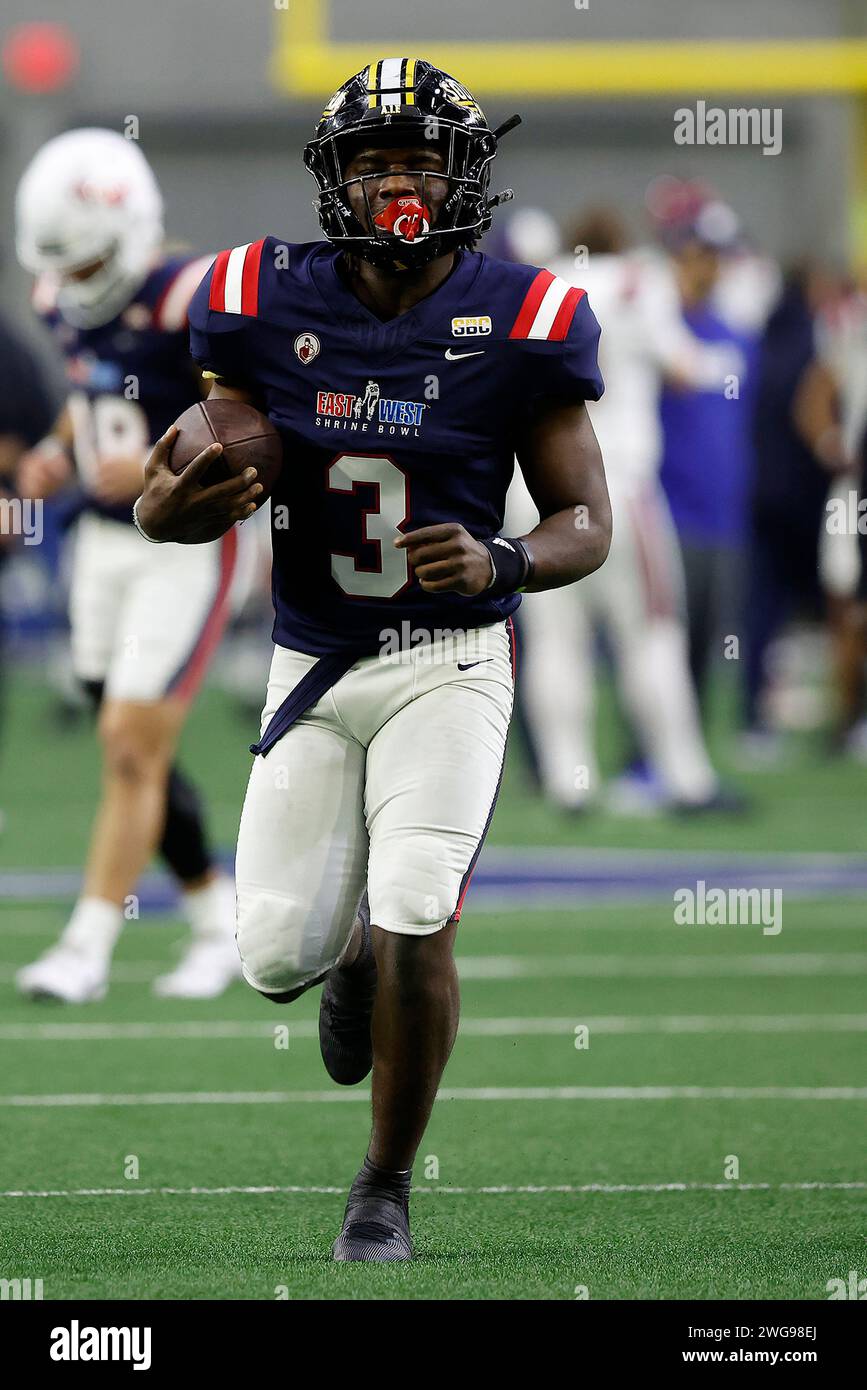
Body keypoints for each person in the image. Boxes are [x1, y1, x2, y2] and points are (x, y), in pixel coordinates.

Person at [134, 57, 611, 1260]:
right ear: (334, 177)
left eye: (419, 156)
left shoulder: (524, 316)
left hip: (450, 660)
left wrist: (505, 563)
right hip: (315, 659)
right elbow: (161, 491)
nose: (397, 179)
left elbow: (585, 520)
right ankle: (352, 957)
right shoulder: (256, 297)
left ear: (466, 173)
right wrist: (182, 504)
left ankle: (383, 1184)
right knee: (276, 958)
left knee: (416, 907)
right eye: (371, 158)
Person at [14, 128, 239, 1003]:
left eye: (86, 265)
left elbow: (250, 417)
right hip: (102, 545)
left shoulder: (194, 299)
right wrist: (56, 448)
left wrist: (162, 458)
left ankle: (85, 948)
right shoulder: (59, 293)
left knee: (127, 744)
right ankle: (214, 919)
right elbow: (91, 387)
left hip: (184, 542)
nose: (71, 285)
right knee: (135, 748)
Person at [508, 209, 734, 813]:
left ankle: (567, 782)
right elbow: (686, 366)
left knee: (557, 642)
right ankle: (687, 779)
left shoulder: (537, 288)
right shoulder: (641, 279)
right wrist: (728, 365)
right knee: (652, 632)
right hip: (616, 486)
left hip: (533, 492)